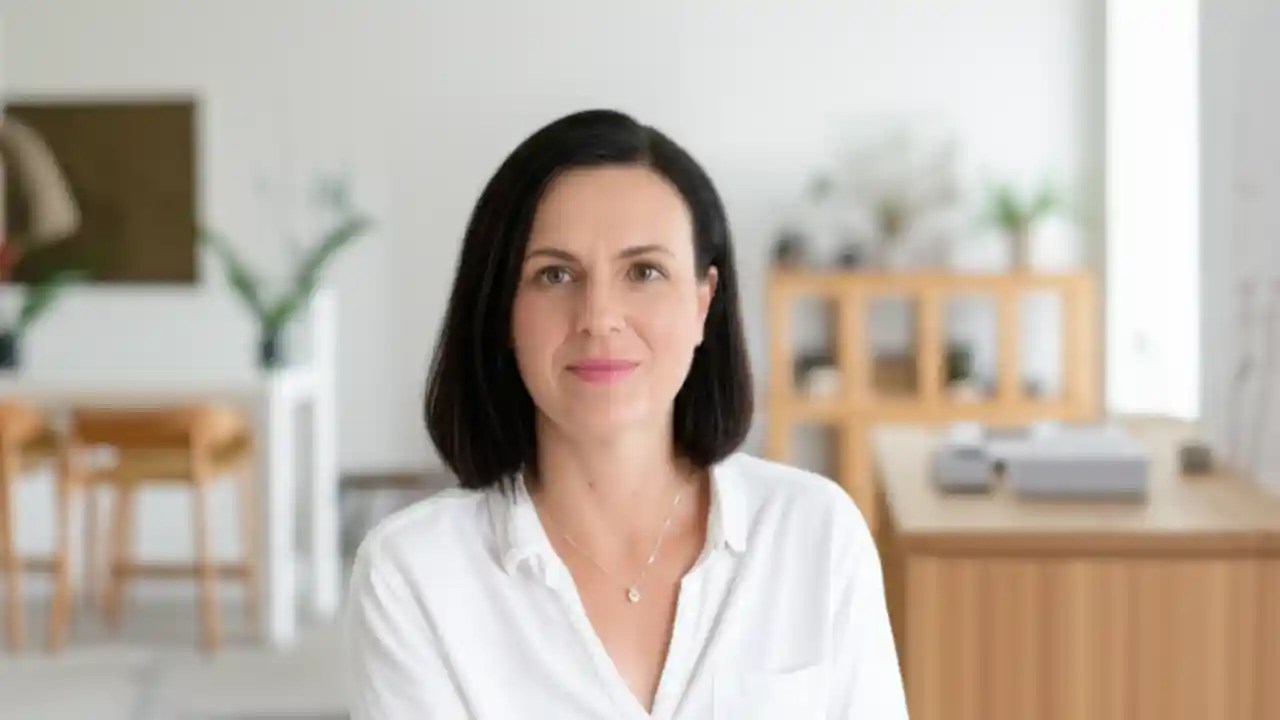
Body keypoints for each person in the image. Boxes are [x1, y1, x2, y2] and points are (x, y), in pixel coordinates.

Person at [345, 109, 907, 719]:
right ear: (504, 311)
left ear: (702, 304)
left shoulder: (815, 535)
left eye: (644, 272)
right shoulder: (414, 574)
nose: (599, 316)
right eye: (554, 274)